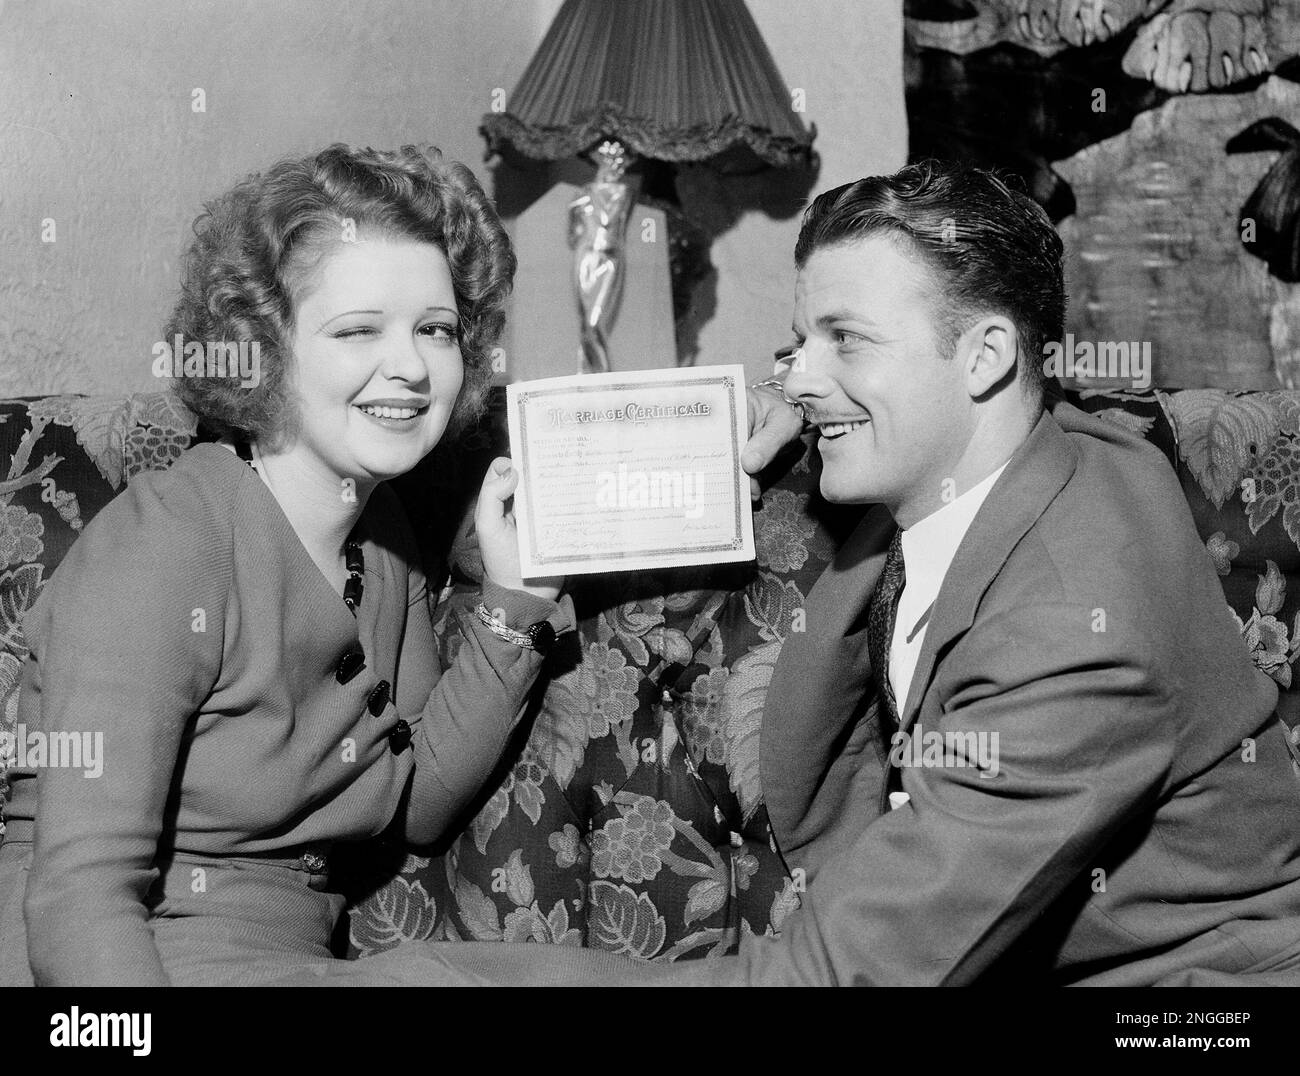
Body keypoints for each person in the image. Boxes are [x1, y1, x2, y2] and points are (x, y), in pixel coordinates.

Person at [360, 159, 1300, 987]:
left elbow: (833, 981)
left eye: (845, 339)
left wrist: (436, 978)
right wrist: (797, 402)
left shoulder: (1074, 629)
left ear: (985, 356)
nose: (802, 375)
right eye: (798, 342)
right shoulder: (1050, 458)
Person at [0, 143, 573, 986]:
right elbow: (77, 896)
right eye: (357, 330)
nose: (412, 366)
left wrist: (513, 601)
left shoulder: (383, 538)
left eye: (437, 329)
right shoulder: (168, 542)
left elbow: (415, 801)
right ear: (263, 350)